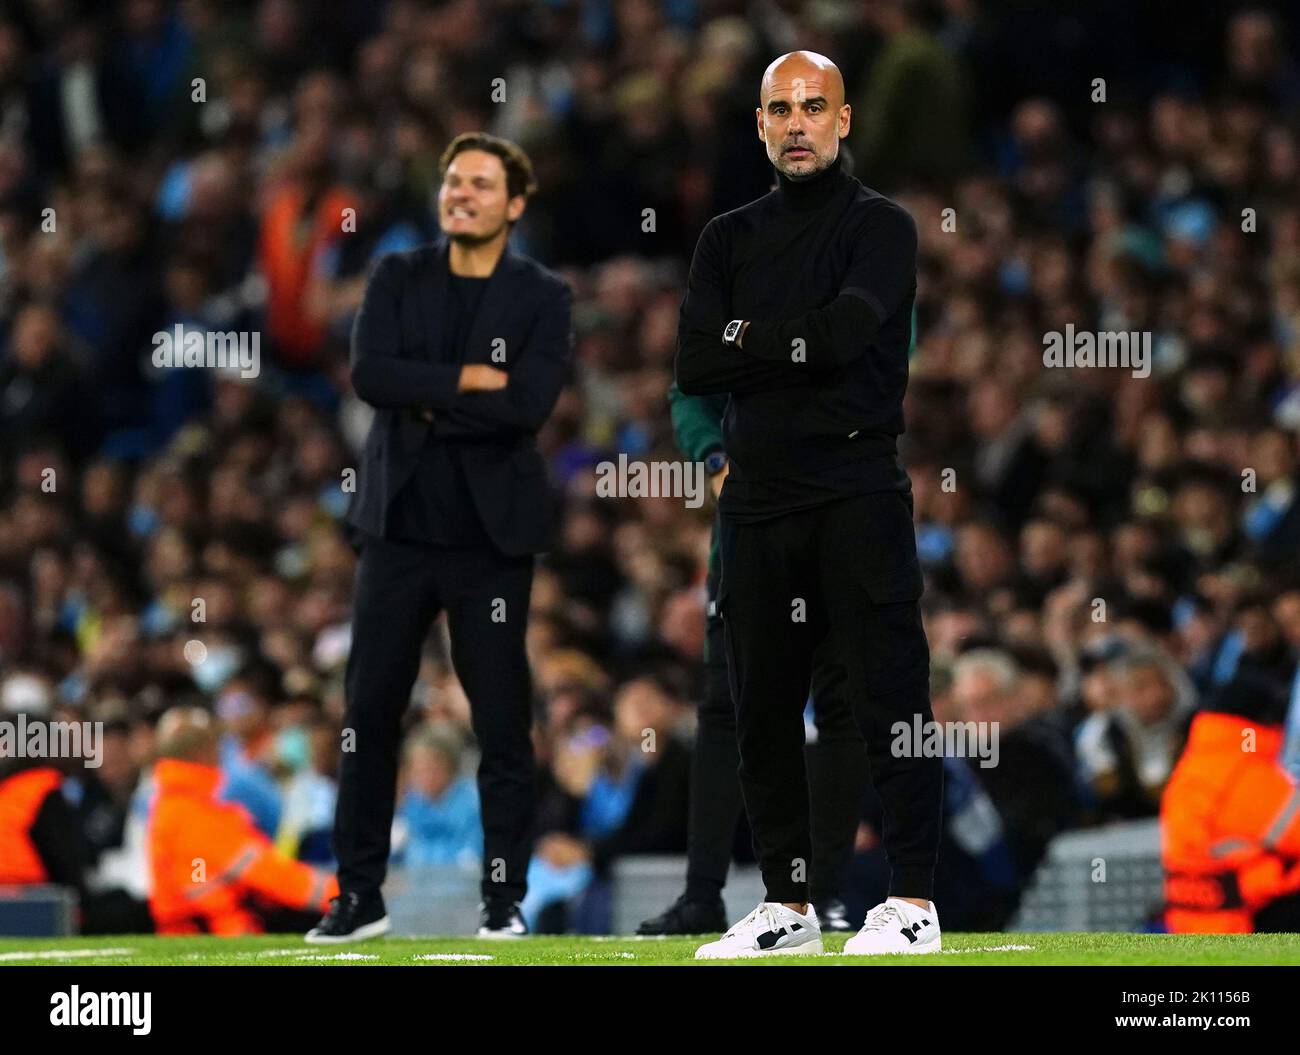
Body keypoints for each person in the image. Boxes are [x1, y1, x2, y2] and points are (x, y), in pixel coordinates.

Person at [675, 51, 942, 957]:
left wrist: (748, 334)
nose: (796, 123)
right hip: (756, 501)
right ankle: (784, 903)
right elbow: (695, 365)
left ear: (845, 119)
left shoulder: (885, 228)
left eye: (812, 107)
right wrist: (787, 344)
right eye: (780, 109)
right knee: (760, 706)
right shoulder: (726, 237)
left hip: (858, 486)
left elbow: (845, 334)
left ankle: (912, 900)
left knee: (888, 696)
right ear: (758, 125)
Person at [309, 133, 573, 942]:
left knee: (500, 719)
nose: (460, 193)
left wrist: (426, 394)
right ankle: (359, 895)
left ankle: (504, 898)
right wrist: (467, 381)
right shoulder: (396, 273)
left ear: (515, 203)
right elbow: (371, 377)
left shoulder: (542, 293)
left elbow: (527, 403)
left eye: (481, 184)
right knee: (368, 711)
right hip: (397, 530)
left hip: (489, 542)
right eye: (453, 180)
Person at [636, 380, 866, 935]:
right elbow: (689, 389)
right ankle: (702, 895)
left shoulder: (851, 295)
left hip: (838, 515)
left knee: (840, 704)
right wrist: (715, 459)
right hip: (748, 526)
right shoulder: (729, 296)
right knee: (724, 707)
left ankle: (825, 896)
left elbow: (882, 360)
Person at [148, 707, 338, 935]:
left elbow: (198, 880)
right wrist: (340, 894)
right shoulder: (194, 813)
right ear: (203, 751)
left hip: (192, 926)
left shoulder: (173, 805)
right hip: (209, 926)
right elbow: (266, 873)